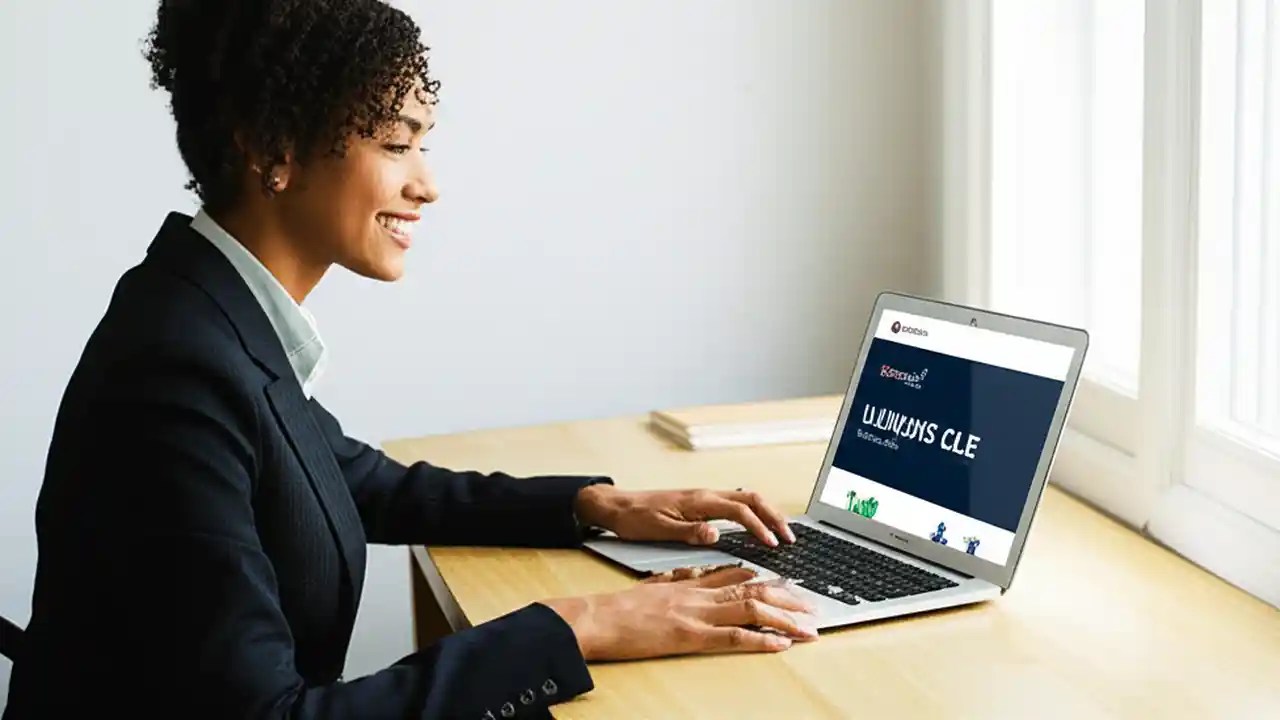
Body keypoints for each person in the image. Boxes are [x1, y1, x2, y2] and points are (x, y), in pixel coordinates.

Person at [2, 1, 818, 718]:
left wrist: (593, 506)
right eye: (398, 143)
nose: (427, 185)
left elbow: (357, 484)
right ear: (275, 149)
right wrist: (583, 625)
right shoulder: (178, 369)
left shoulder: (207, 310)